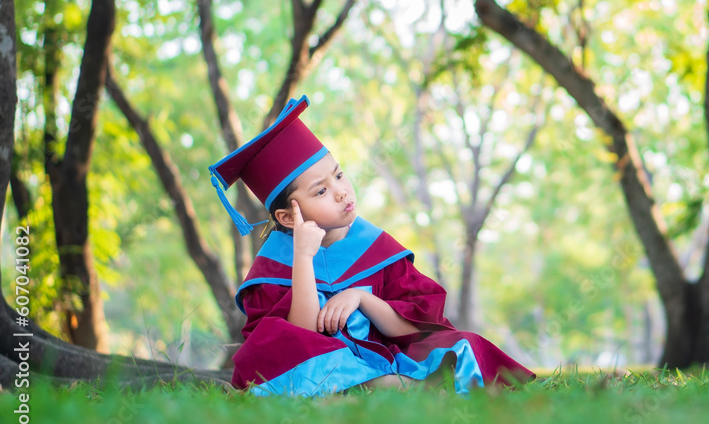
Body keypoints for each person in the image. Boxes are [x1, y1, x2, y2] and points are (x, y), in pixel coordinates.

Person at [209, 95, 535, 396]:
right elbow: (299, 339)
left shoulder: (378, 250)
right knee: (288, 357)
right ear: (287, 217)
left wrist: (362, 297)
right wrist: (304, 257)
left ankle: (384, 387)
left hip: (391, 357)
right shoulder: (272, 272)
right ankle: (396, 388)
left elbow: (412, 329)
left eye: (339, 175)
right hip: (325, 363)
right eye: (320, 191)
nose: (341, 192)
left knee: (464, 343)